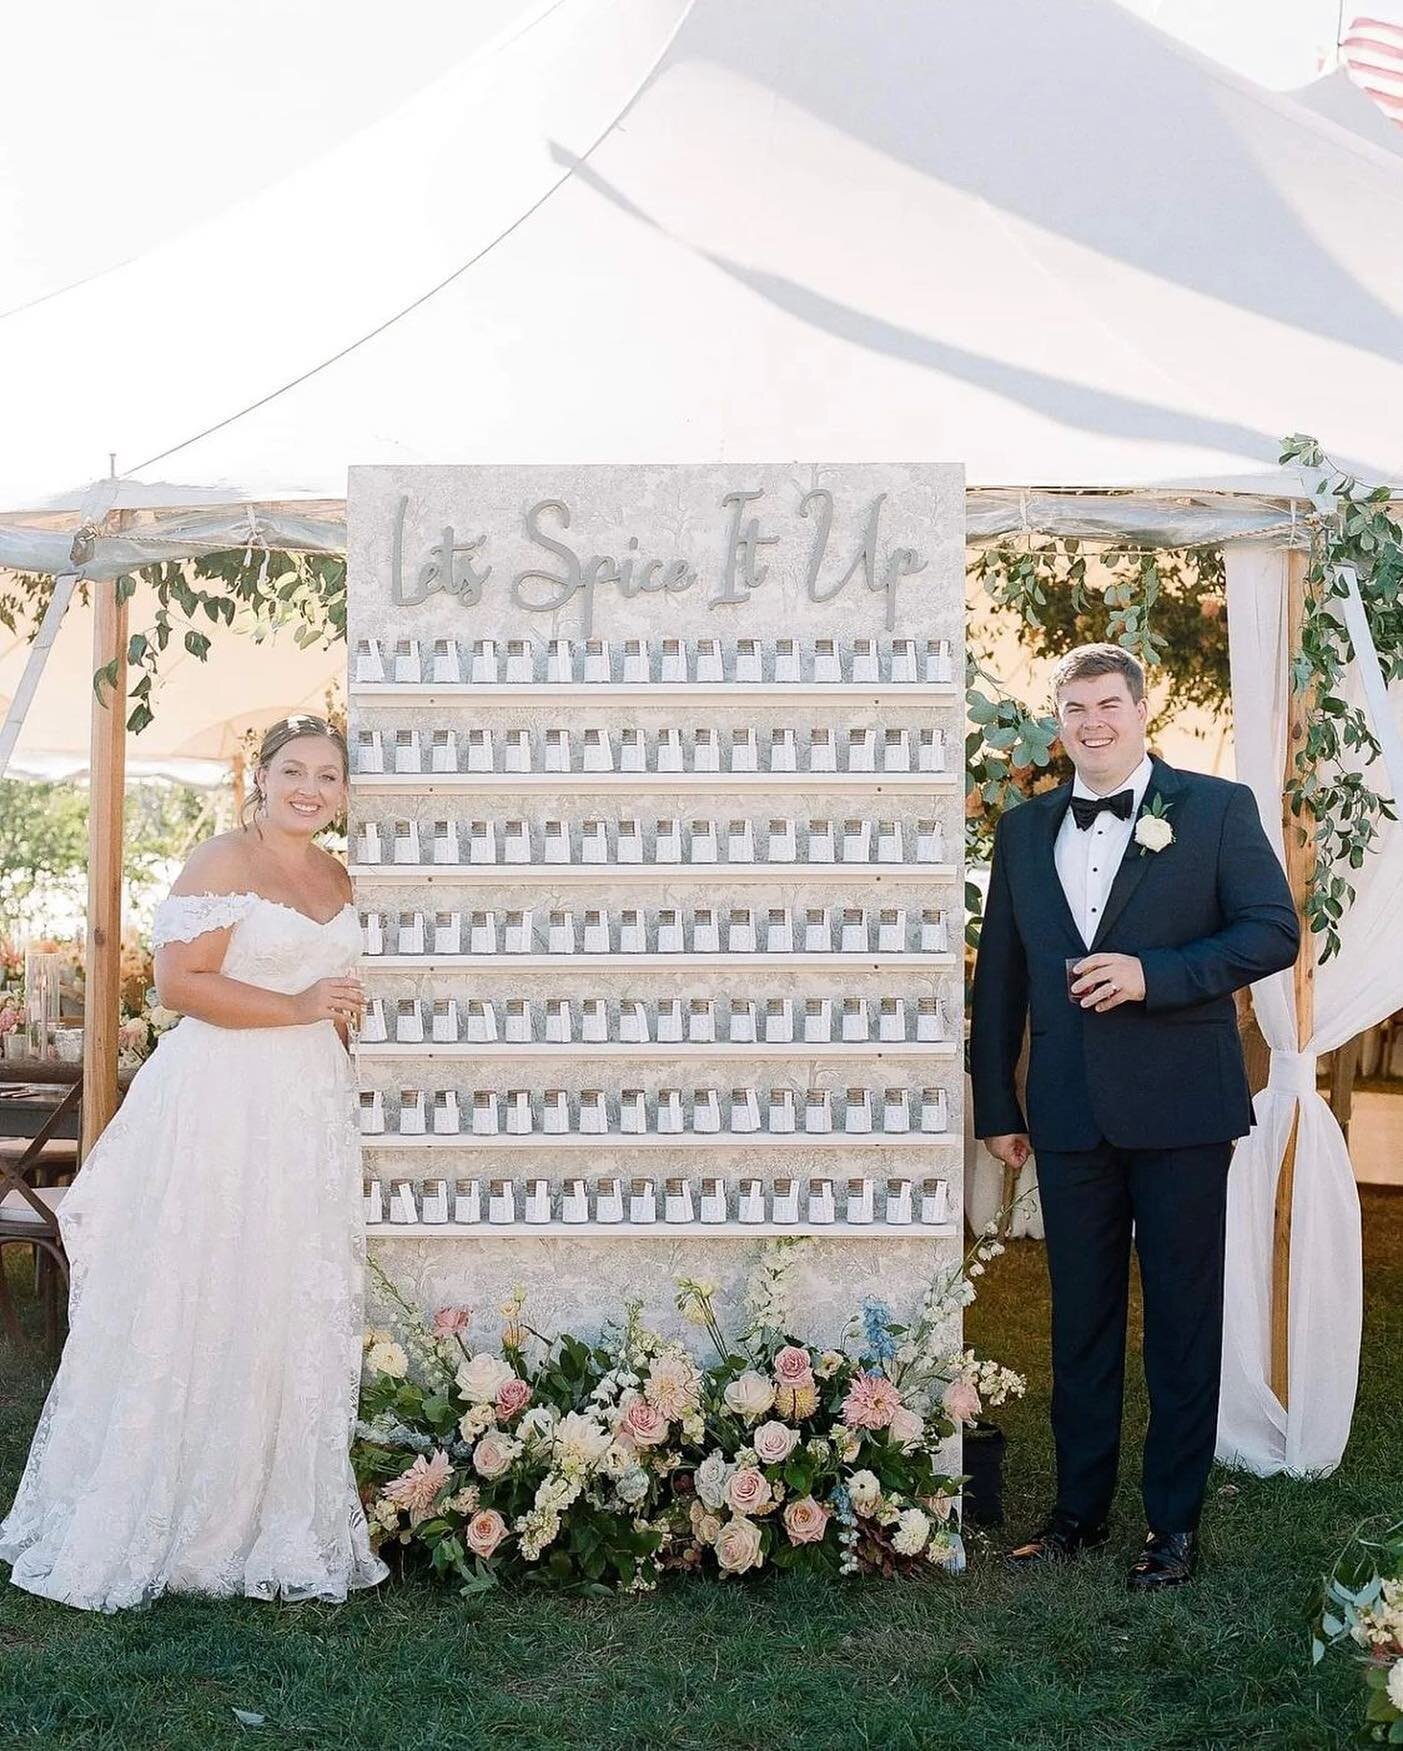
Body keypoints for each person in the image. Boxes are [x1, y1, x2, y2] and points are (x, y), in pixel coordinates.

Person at [0, 714, 388, 1611]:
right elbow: (180, 986)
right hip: (223, 1099)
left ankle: (262, 1515)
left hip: (305, 1104)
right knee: (200, 1282)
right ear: (262, 776)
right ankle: (160, 1509)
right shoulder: (222, 860)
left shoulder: (338, 874)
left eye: (328, 776)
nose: (310, 788)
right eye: (294, 769)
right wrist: (297, 1001)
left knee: (284, 1290)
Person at [970, 644, 1299, 1592]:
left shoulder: (1213, 809)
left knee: (1184, 1322)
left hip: (1182, 1112)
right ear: (1058, 719)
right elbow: (1001, 976)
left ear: (1140, 708)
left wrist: (1155, 975)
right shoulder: (1025, 830)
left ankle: (1171, 1525)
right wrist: (999, 1100)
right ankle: (1076, 1511)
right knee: (1078, 1321)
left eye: (1107, 703)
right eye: (1073, 707)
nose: (1091, 722)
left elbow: (1270, 929)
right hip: (1068, 1112)